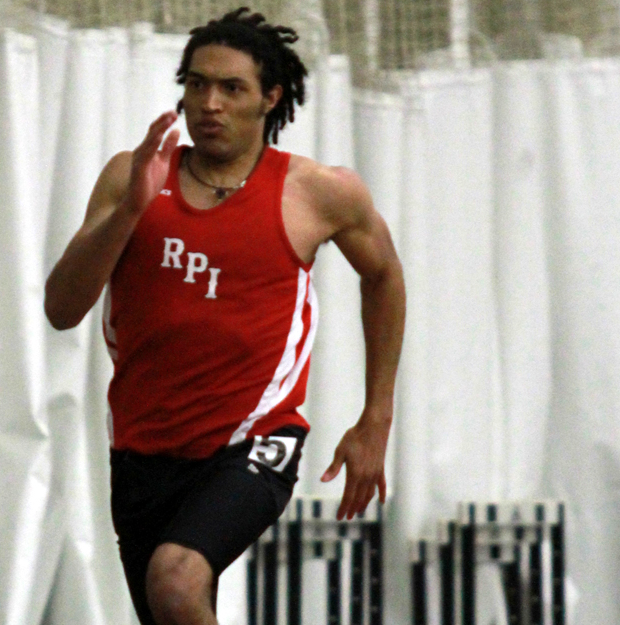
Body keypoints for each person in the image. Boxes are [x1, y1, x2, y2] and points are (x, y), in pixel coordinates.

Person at [44, 7, 405, 625]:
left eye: (231, 88)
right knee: (172, 604)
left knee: (176, 579)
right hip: (143, 446)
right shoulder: (132, 178)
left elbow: (384, 276)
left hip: (255, 439)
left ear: (271, 97)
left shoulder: (318, 193)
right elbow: (62, 309)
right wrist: (131, 209)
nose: (209, 102)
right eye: (196, 84)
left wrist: (376, 416)